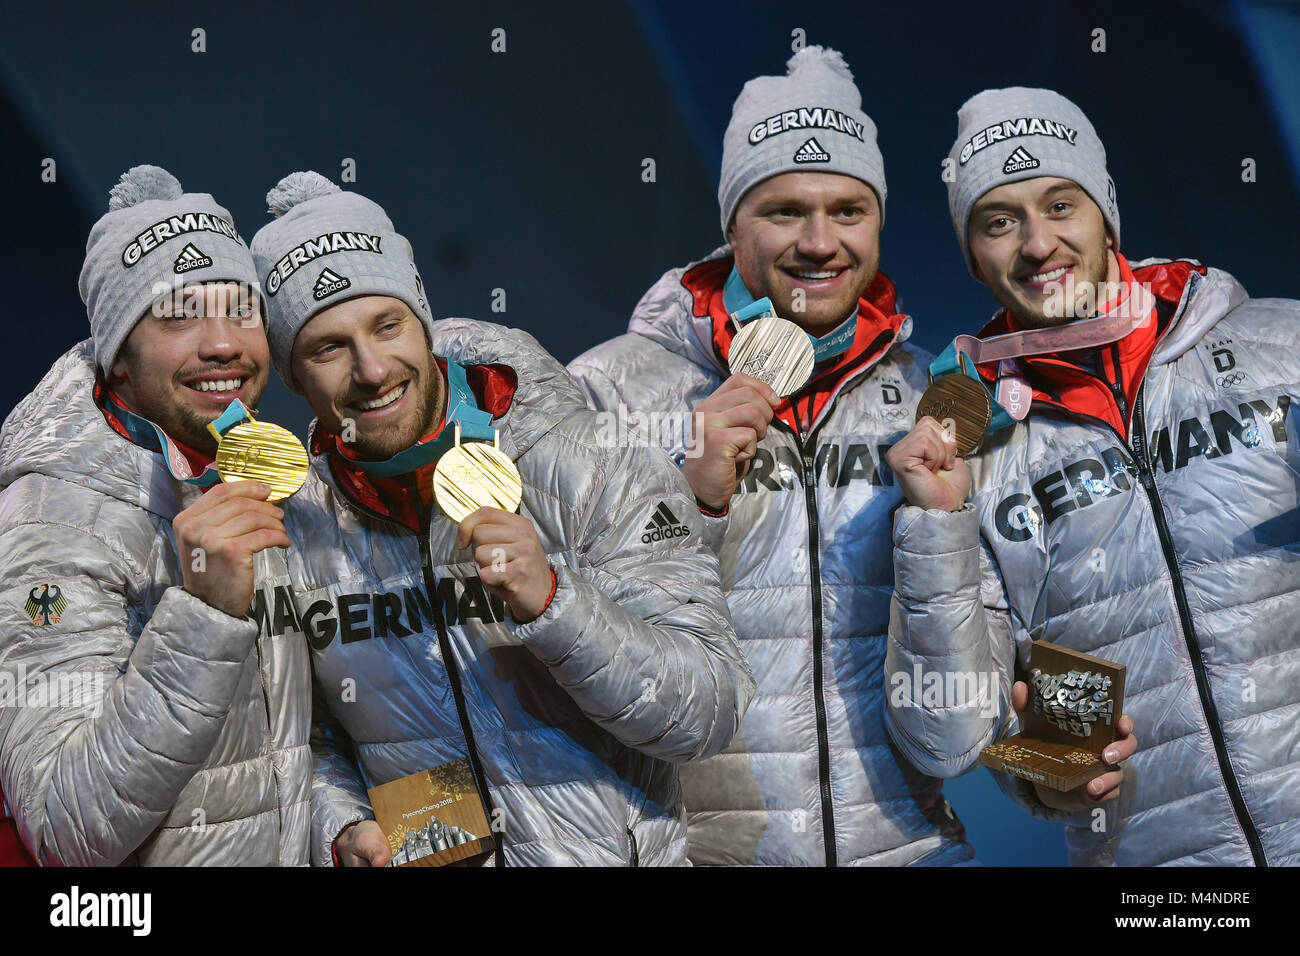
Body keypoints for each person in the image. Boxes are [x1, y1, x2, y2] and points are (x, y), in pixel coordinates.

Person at [248, 172, 753, 867]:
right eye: (327, 347)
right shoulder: (299, 529)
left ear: (421, 323)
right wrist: (346, 829)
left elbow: (708, 712)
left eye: (386, 326)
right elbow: (305, 742)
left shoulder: (591, 460)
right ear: (294, 377)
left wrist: (554, 603)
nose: (370, 368)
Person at [569, 47, 973, 866]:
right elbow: (562, 650)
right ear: (730, 224)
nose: (820, 242)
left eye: (849, 210)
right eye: (785, 210)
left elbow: (964, 717)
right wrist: (693, 505)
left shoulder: (934, 396)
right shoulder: (606, 390)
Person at [884, 87, 1300, 866]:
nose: (1039, 245)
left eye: (1061, 204)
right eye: (1000, 222)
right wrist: (1047, 781)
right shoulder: (956, 449)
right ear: (972, 255)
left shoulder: (1284, 349)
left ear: (1107, 212)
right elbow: (951, 736)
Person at [0, 166, 311, 866]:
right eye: (178, 314)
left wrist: (345, 828)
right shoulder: (53, 523)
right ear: (116, 362)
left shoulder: (239, 471)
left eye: (241, 308)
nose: (224, 343)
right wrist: (204, 614)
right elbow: (63, 829)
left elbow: (279, 755)